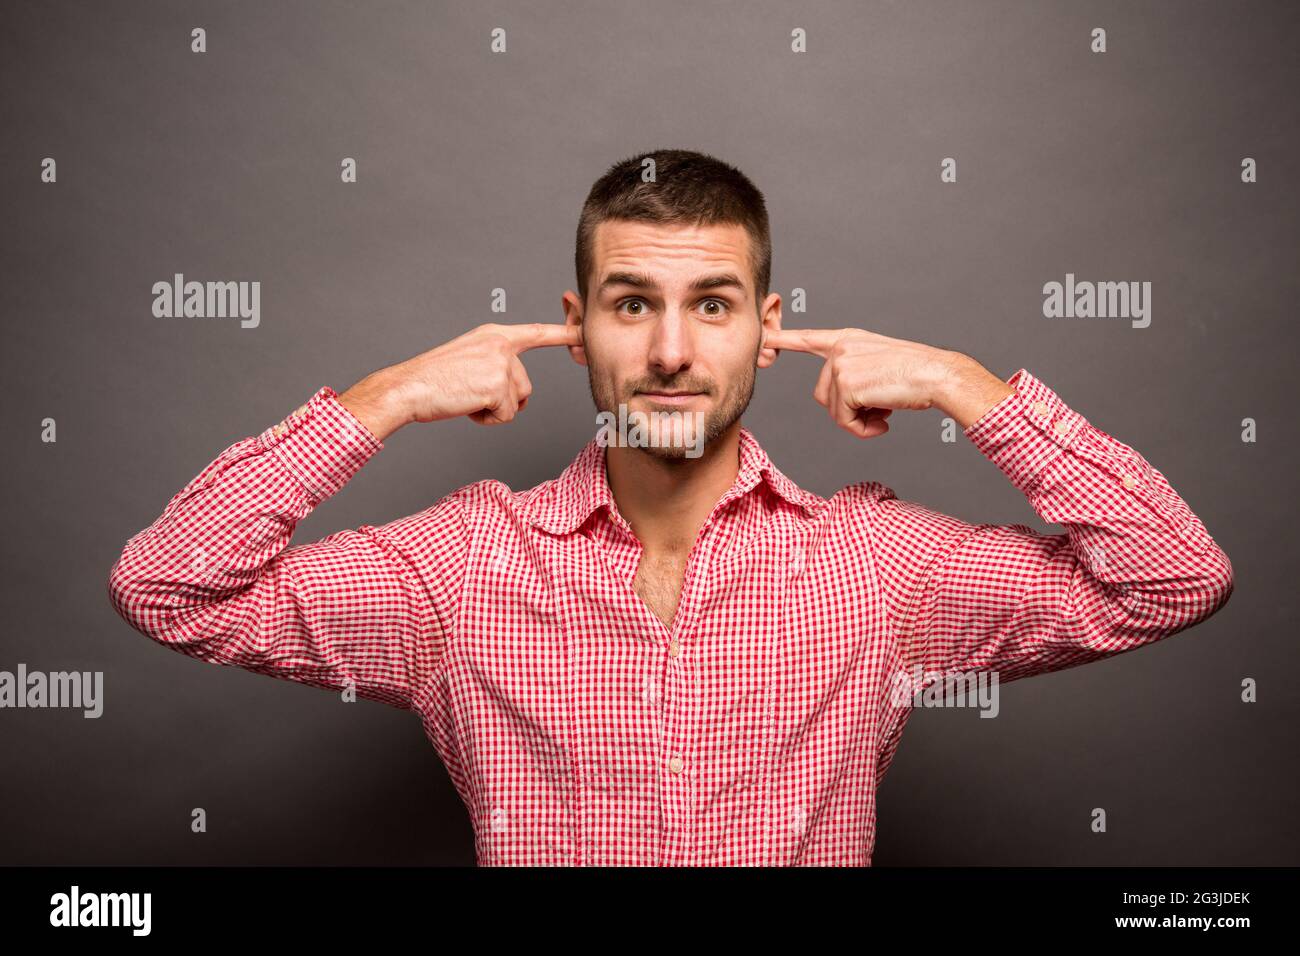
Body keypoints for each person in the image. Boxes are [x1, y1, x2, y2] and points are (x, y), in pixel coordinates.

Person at [108, 148, 1234, 866]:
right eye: (631, 303)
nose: (670, 351)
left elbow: (1173, 576)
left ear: (769, 324)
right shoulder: (462, 565)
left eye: (713, 304)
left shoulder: (876, 564)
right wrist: (383, 399)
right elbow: (169, 588)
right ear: (575, 322)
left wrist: (964, 385)